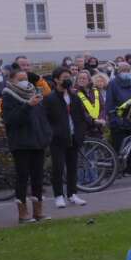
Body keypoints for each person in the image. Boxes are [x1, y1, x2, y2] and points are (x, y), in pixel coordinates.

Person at [0, 67, 54, 224]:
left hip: (38, 142)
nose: (24, 82)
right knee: (22, 177)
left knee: (38, 177)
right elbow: (11, 120)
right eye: (20, 79)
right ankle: (23, 213)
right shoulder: (8, 95)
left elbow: (42, 117)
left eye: (25, 78)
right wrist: (27, 106)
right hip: (21, 143)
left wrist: (46, 134)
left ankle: (38, 211)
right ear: (11, 80)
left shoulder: (34, 93)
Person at [42, 67, 91, 210]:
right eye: (64, 77)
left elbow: (81, 116)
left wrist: (82, 131)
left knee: (72, 167)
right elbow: (46, 119)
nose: (67, 79)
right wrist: (52, 133)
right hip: (58, 139)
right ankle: (58, 196)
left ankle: (72, 194)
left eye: (69, 76)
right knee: (58, 168)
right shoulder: (50, 98)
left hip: (74, 137)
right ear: (56, 79)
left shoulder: (74, 97)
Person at [105, 62, 131, 176]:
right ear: (119, 72)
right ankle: (117, 171)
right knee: (117, 146)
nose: (126, 73)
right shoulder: (113, 84)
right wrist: (113, 118)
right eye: (124, 71)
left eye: (128, 70)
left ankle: (130, 169)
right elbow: (109, 102)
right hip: (118, 119)